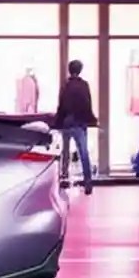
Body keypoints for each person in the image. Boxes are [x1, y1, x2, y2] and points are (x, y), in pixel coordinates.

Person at [53, 60, 99, 195]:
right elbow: (87, 104)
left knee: (65, 151)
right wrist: (92, 120)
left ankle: (64, 177)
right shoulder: (84, 85)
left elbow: (61, 106)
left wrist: (57, 122)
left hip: (67, 123)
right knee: (83, 152)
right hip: (80, 123)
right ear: (80, 70)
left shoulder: (65, 86)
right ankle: (88, 181)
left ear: (69, 70)